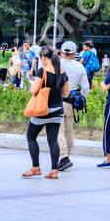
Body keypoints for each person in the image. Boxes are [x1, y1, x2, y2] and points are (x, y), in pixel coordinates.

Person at [22, 47, 67, 179]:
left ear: (43, 58)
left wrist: (34, 86)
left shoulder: (43, 71)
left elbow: (34, 90)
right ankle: (54, 170)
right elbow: (66, 94)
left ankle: (36, 167)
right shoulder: (63, 73)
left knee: (31, 136)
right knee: (53, 140)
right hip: (58, 110)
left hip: (42, 110)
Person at [56, 41, 87, 171]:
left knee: (59, 130)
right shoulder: (80, 67)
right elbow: (85, 88)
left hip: (57, 100)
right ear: (75, 53)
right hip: (71, 102)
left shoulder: (57, 64)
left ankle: (63, 157)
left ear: (61, 52)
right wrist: (82, 97)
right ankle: (66, 156)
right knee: (69, 131)